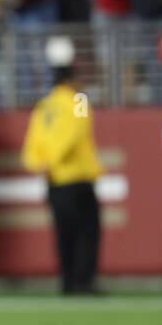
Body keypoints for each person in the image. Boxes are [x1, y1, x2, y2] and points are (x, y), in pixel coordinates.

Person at [21, 37, 103, 295]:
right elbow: (77, 133)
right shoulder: (78, 101)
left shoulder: (44, 106)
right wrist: (56, 159)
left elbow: (31, 146)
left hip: (53, 180)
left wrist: (41, 164)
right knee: (87, 233)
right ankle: (83, 282)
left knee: (63, 234)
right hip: (76, 177)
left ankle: (67, 282)